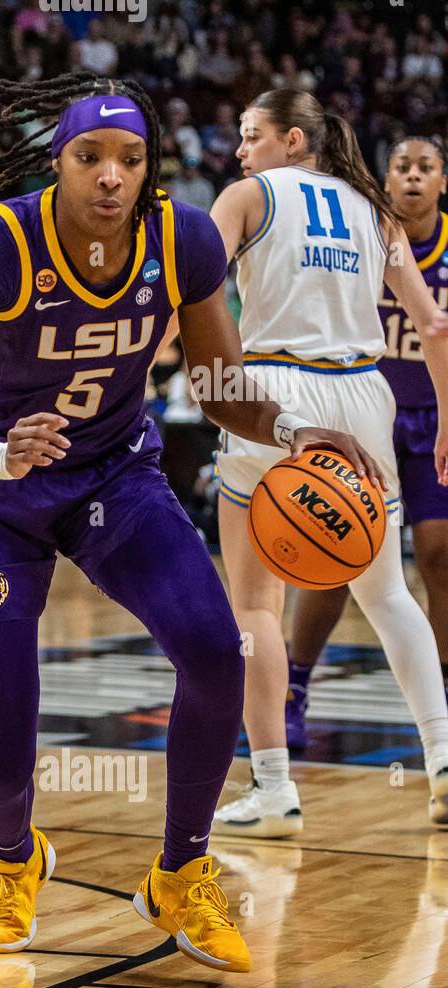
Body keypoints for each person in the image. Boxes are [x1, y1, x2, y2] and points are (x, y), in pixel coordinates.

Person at [0, 73, 379, 973]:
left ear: (150, 165)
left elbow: (220, 386)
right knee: (3, 753)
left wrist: (292, 429)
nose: (111, 177)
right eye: (90, 157)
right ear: (59, 163)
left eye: (129, 159)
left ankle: (181, 869)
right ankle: (14, 859)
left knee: (213, 648)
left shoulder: (183, 238)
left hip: (112, 476)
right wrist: (3, 453)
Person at [208, 92, 448, 838]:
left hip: (274, 393)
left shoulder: (247, 196)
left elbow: (192, 292)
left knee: (254, 607)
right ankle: (443, 760)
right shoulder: (373, 208)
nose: (241, 151)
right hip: (364, 396)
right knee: (387, 594)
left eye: (250, 136)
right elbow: (434, 322)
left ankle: (274, 788)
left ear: (290, 139)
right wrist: (447, 416)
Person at [282, 138, 448, 780]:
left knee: (437, 555)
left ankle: (438, 700)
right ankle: (295, 684)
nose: (410, 176)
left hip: (434, 417)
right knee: (330, 558)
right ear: (387, 177)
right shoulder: (363, 233)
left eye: (423, 167)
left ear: (441, 180)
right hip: (365, 412)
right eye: (401, 167)